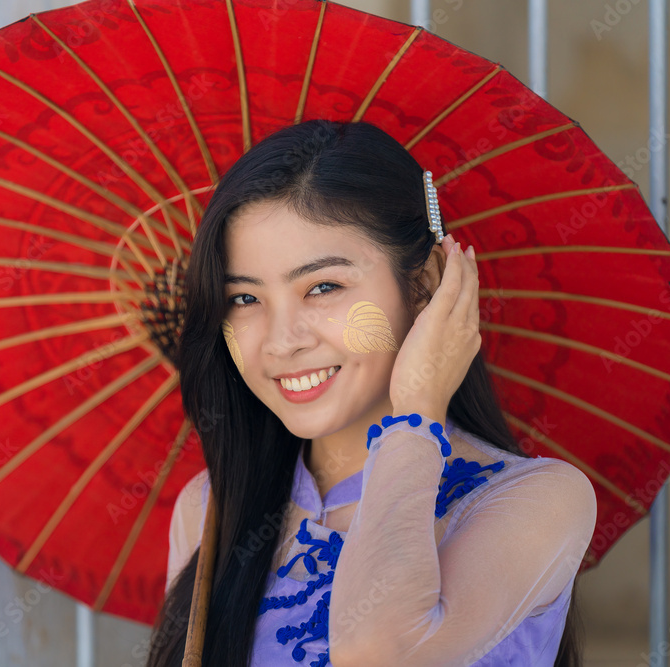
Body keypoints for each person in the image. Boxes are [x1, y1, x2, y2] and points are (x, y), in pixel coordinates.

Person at [146, 119, 597, 667]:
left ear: (425, 283)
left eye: (323, 287)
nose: (282, 342)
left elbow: (379, 652)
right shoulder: (213, 507)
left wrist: (417, 415)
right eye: (244, 299)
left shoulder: (534, 500)